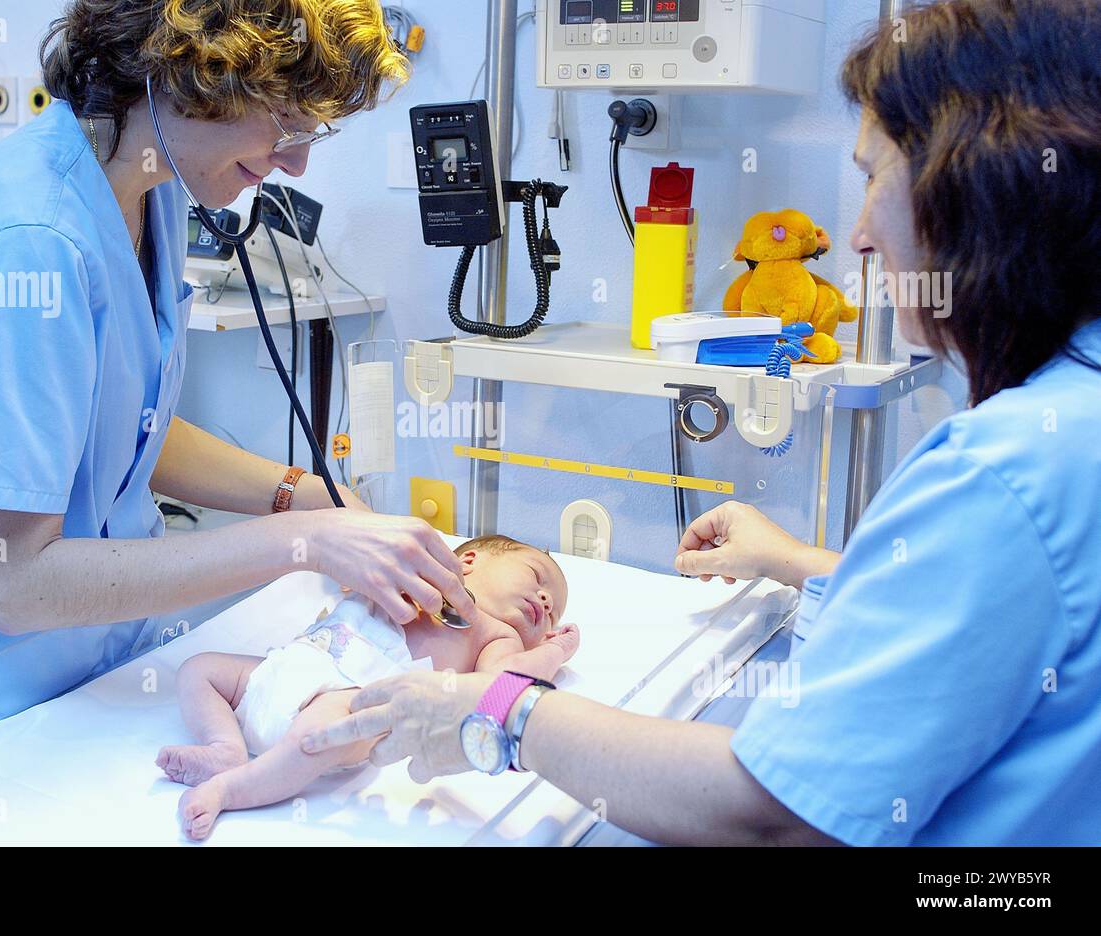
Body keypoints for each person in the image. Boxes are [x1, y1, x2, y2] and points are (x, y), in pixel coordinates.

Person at [299, 0, 1101, 846]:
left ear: (974, 181)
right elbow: (977, 611)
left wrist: (502, 713)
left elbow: (770, 816)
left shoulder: (1005, 473)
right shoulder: (1064, 426)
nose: (860, 236)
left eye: (873, 177)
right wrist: (799, 564)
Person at [0, 0, 483, 818]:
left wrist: (299, 494)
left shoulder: (150, 190)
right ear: (189, 71)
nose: (298, 163)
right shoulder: (31, 244)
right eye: (284, 121)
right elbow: (15, 581)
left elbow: (120, 427)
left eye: (314, 131)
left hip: (74, 696)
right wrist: (304, 544)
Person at [157, 535, 573, 840]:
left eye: (553, 611)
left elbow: (503, 684)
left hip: (353, 700)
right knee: (198, 670)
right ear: (467, 559)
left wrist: (555, 653)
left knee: (319, 735)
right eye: (538, 577)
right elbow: (352, 567)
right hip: (288, 665)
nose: (546, 600)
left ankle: (231, 788)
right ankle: (224, 747)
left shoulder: (497, 635)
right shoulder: (411, 571)